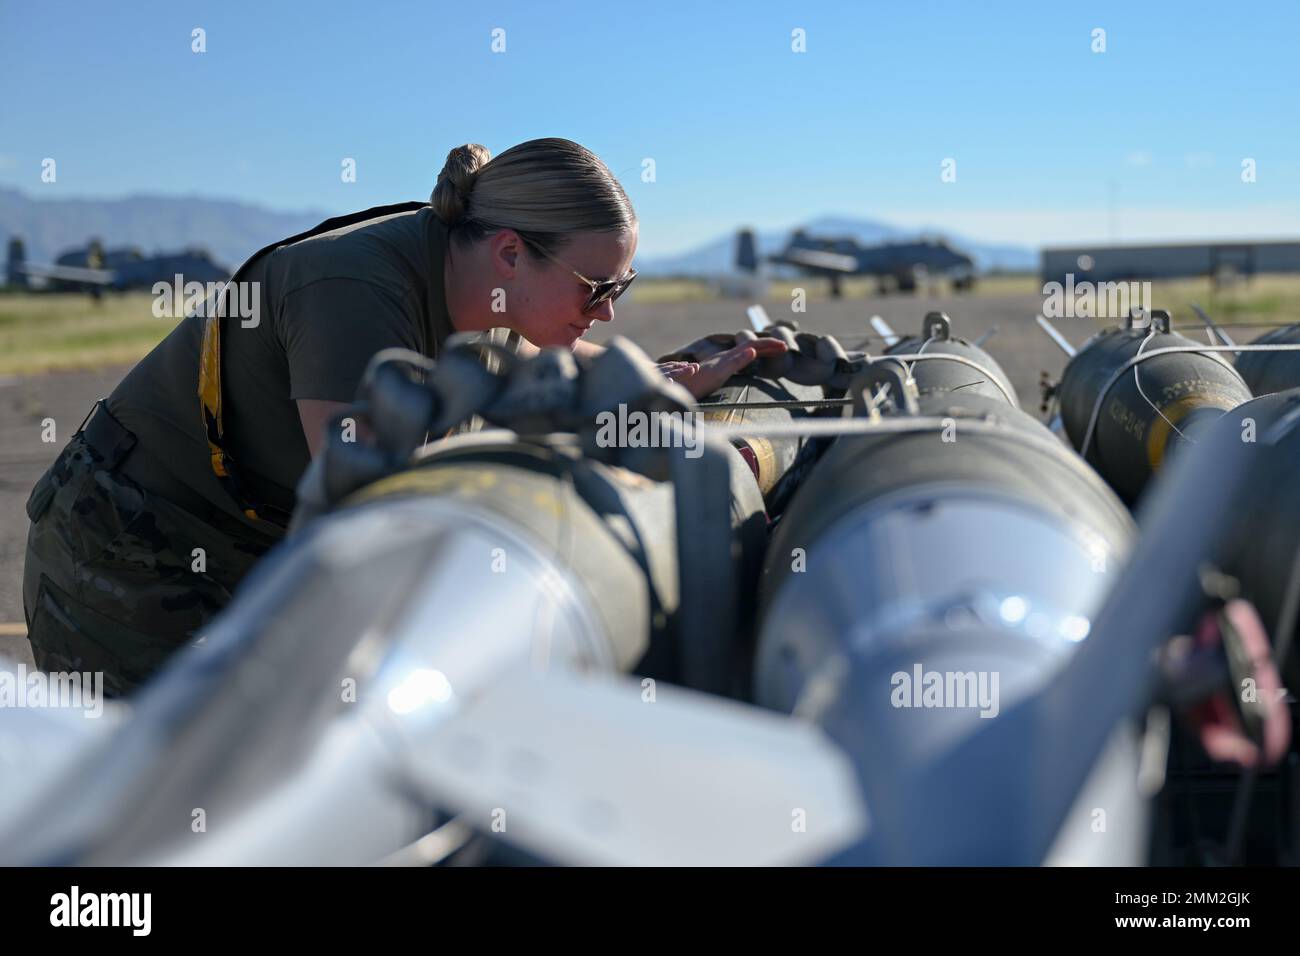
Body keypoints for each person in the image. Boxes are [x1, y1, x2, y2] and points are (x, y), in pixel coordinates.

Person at [22, 137, 785, 694]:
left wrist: (664, 383)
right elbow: (374, 512)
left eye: (622, 288)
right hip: (128, 552)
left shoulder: (481, 277)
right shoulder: (353, 292)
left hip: (251, 545)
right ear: (512, 253)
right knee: (178, 804)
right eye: (597, 288)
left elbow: (555, 362)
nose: (608, 315)